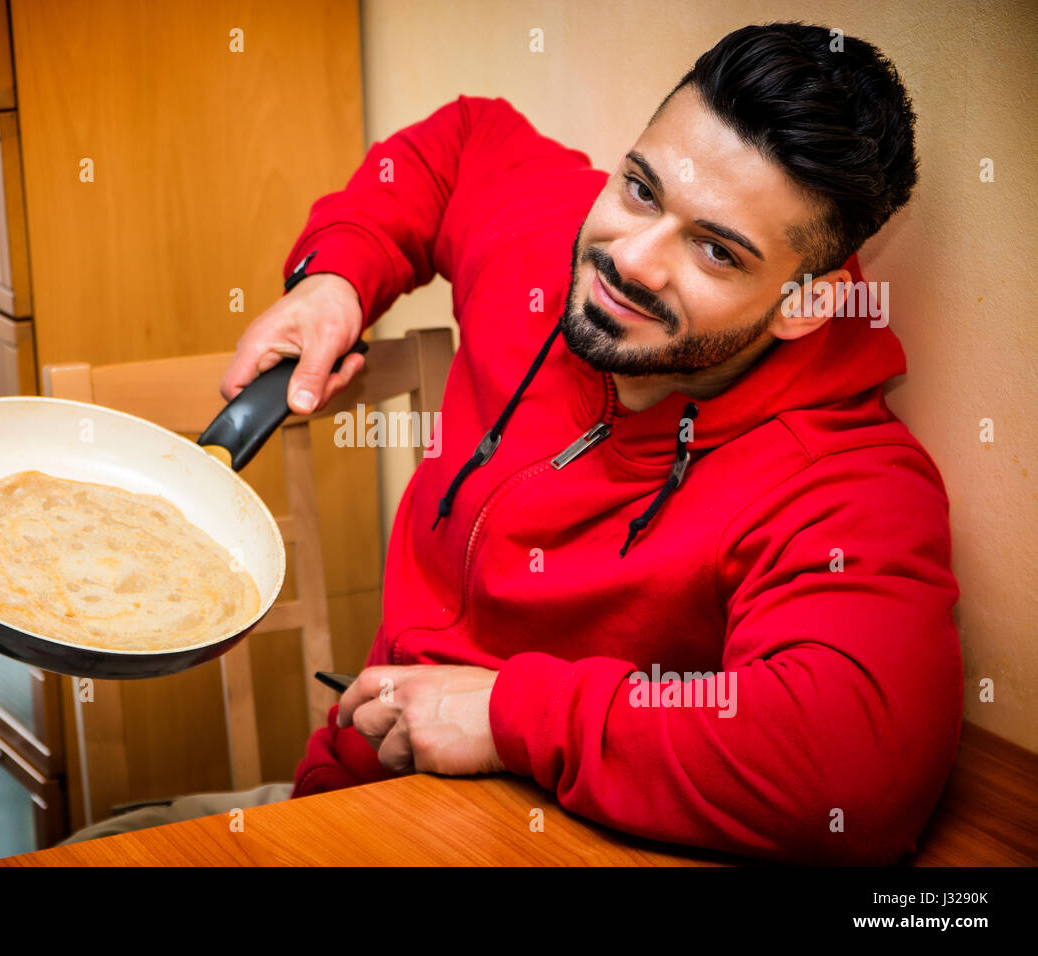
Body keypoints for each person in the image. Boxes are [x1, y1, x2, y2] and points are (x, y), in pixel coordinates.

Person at [61, 21, 961, 865]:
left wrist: (512, 714)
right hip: (339, 800)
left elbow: (855, 774)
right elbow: (458, 145)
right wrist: (339, 274)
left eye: (716, 252)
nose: (633, 260)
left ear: (807, 302)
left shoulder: (848, 482)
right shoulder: (552, 243)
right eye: (641, 188)